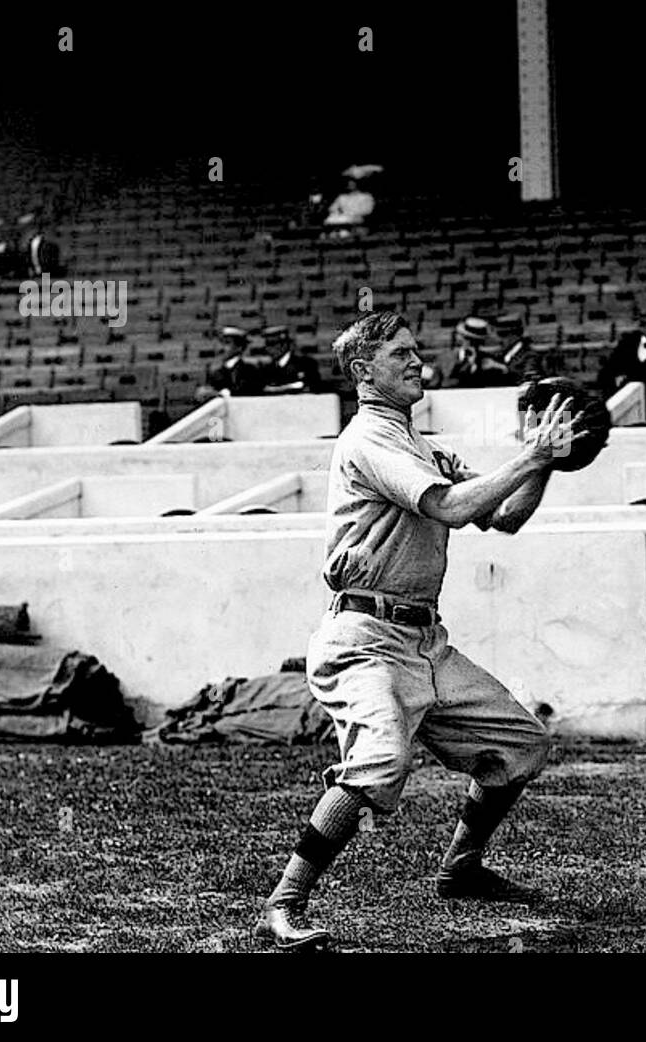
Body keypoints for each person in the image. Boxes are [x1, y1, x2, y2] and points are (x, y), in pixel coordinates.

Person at [253, 310, 597, 950]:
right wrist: (530, 454)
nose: (418, 361)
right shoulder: (367, 439)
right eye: (400, 354)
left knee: (522, 744)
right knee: (380, 761)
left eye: (416, 351)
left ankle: (460, 868)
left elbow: (504, 515)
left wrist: (547, 459)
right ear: (364, 373)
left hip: (423, 640)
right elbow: (449, 506)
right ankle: (285, 903)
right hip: (362, 639)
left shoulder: (423, 444)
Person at [428, 317, 510, 389]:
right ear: (460, 338)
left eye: (475, 341)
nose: (469, 344)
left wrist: (500, 368)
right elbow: (434, 387)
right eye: (466, 338)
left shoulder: (490, 361)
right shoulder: (444, 358)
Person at [261, 325, 324, 394]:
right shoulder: (267, 369)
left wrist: (281, 388)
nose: (268, 349)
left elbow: (311, 386)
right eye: (267, 345)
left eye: (273, 344)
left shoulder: (305, 364)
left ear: (285, 345)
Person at [204, 326, 262, 397]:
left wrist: (225, 393)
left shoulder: (249, 369)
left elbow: (250, 392)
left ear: (239, 347)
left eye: (227, 343)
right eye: (220, 343)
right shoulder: (215, 371)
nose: (221, 348)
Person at [493, 312, 549, 383]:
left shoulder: (530, 355)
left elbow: (529, 380)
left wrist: (503, 368)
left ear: (515, 335)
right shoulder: (503, 354)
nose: (500, 340)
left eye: (503, 335)